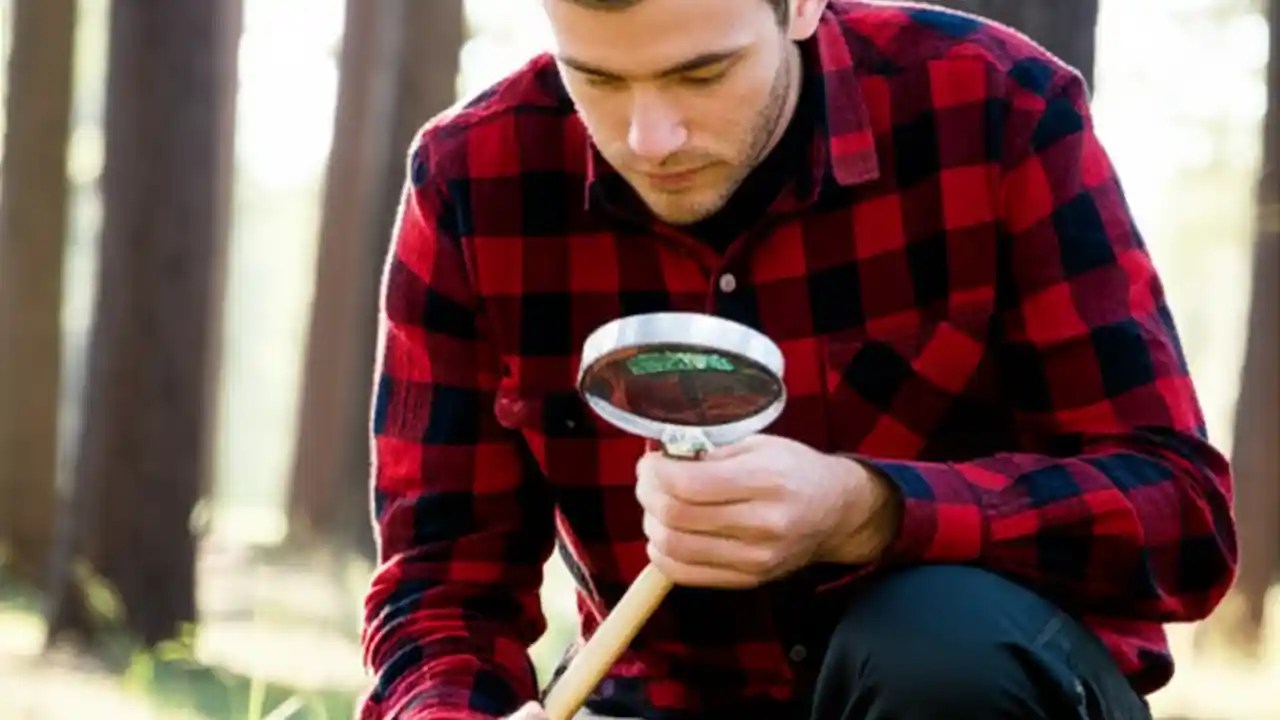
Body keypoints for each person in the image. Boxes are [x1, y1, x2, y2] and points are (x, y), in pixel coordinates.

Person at [359, 0, 1238, 718]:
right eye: (595, 79)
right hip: (655, 702)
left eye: (702, 73)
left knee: (935, 645)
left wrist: (870, 512)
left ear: (804, 7)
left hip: (978, 690)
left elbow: (1181, 520)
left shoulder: (997, 108)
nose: (648, 137)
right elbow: (438, 584)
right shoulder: (472, 177)